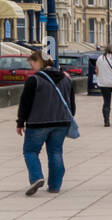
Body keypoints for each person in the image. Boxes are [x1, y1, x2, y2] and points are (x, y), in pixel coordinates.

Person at [16, 50, 76, 196]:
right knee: (56, 152)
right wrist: (68, 117)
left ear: (39, 62)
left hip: (38, 122)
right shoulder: (66, 78)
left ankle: (37, 177)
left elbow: (25, 103)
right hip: (61, 121)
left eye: (32, 63)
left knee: (30, 151)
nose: (31, 66)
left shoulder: (34, 80)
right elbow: (71, 104)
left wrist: (20, 122)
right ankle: (55, 186)